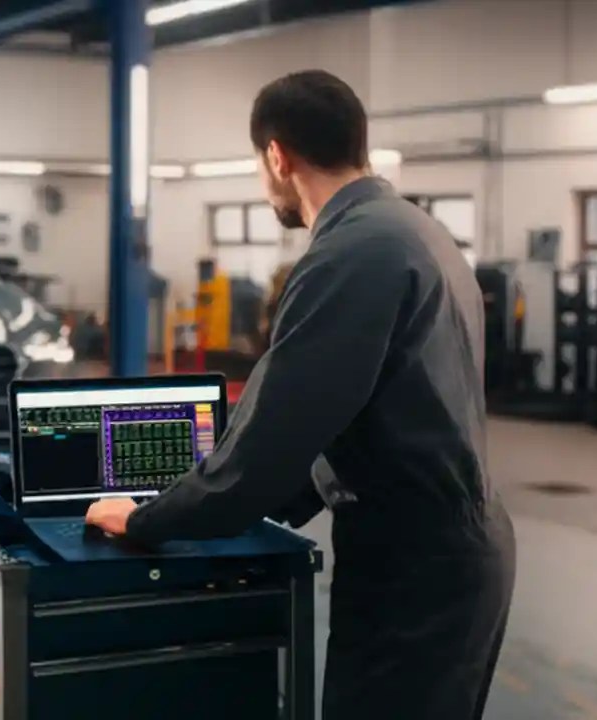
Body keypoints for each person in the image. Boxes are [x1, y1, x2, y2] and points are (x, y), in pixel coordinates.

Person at [85, 69, 516, 720]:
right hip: (452, 546)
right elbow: (360, 409)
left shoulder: (351, 253)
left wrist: (146, 519)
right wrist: (274, 495)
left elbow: (277, 433)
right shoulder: (412, 230)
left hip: (415, 565)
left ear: (277, 156)